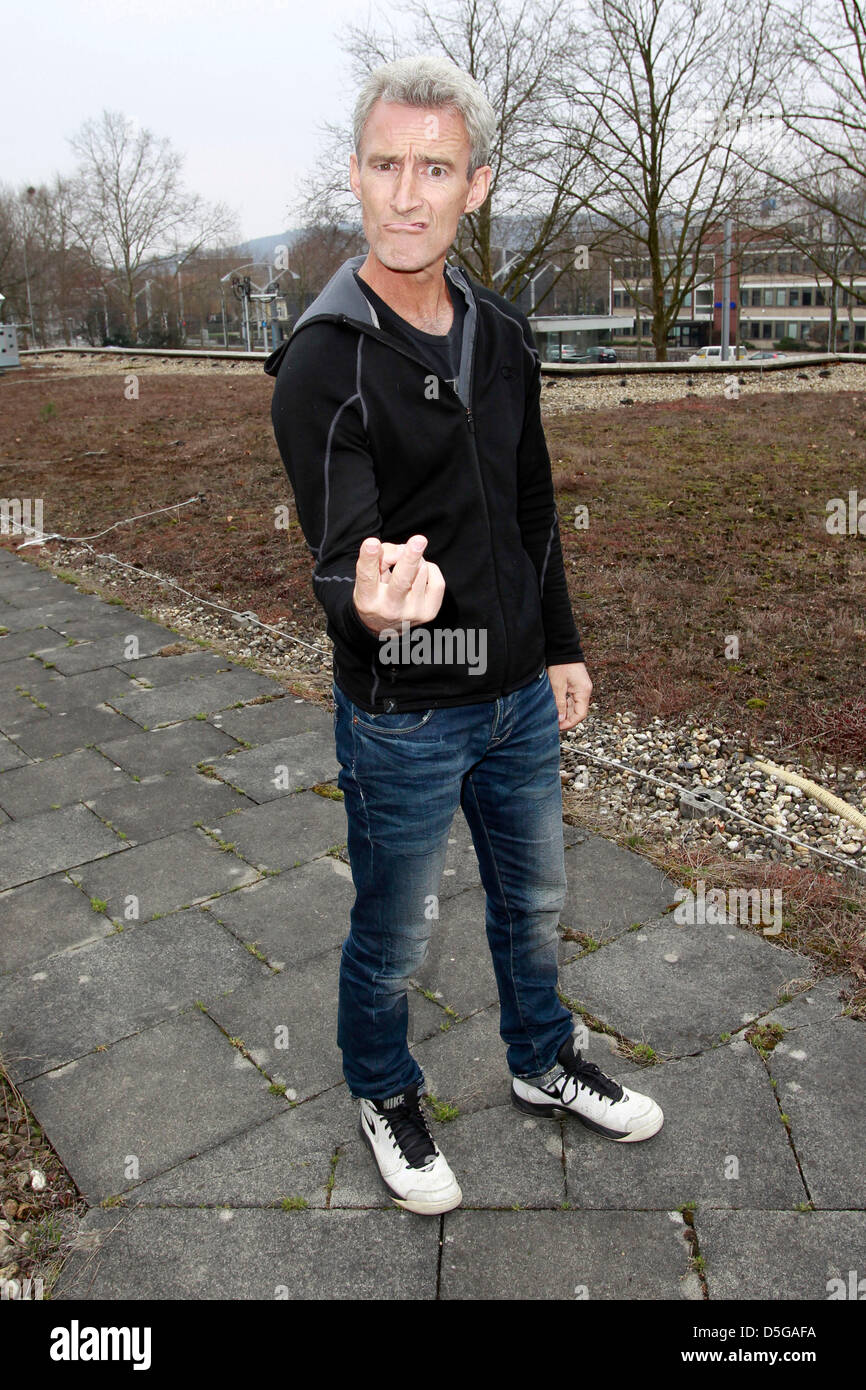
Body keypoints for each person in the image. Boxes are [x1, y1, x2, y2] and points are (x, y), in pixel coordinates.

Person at [265, 54, 663, 1217]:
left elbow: (531, 504)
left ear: (474, 184)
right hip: (402, 708)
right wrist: (367, 603)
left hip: (517, 697)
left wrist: (561, 647)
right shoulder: (319, 362)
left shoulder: (503, 330)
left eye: (432, 167)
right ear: (354, 174)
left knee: (532, 905)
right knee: (392, 932)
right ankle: (382, 1089)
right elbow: (342, 558)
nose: (404, 192)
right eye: (383, 164)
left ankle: (540, 1058)